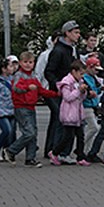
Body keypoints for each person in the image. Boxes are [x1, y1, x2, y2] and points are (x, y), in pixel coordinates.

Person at [6, 51, 59, 167]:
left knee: (33, 134)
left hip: (30, 107)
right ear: (20, 63)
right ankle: (11, 150)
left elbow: (40, 90)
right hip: (21, 107)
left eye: (30, 62)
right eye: (25, 62)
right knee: (29, 133)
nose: (28, 64)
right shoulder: (19, 75)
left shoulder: (33, 76)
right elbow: (16, 88)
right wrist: (27, 88)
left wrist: (55, 94)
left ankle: (30, 158)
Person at [43, 21, 81, 157]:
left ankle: (56, 150)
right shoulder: (58, 51)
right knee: (62, 121)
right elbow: (49, 72)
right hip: (60, 92)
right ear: (67, 33)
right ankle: (56, 151)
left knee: (63, 121)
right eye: (75, 32)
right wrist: (59, 85)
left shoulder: (72, 49)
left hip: (70, 90)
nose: (78, 35)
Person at [52, 60, 90, 166]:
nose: (82, 77)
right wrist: (78, 90)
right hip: (69, 113)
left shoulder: (79, 82)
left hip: (77, 113)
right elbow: (68, 97)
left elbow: (81, 98)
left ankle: (80, 157)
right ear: (74, 71)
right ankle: (55, 152)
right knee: (68, 136)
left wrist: (83, 92)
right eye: (81, 74)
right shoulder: (66, 82)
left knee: (80, 136)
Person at [82, 57, 104, 156]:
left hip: (94, 105)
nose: (97, 72)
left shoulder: (94, 78)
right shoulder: (84, 78)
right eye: (95, 69)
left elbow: (96, 90)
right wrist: (89, 94)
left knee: (91, 128)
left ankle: (86, 151)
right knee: (94, 128)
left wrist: (100, 89)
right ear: (89, 67)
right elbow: (84, 91)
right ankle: (81, 146)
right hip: (86, 105)